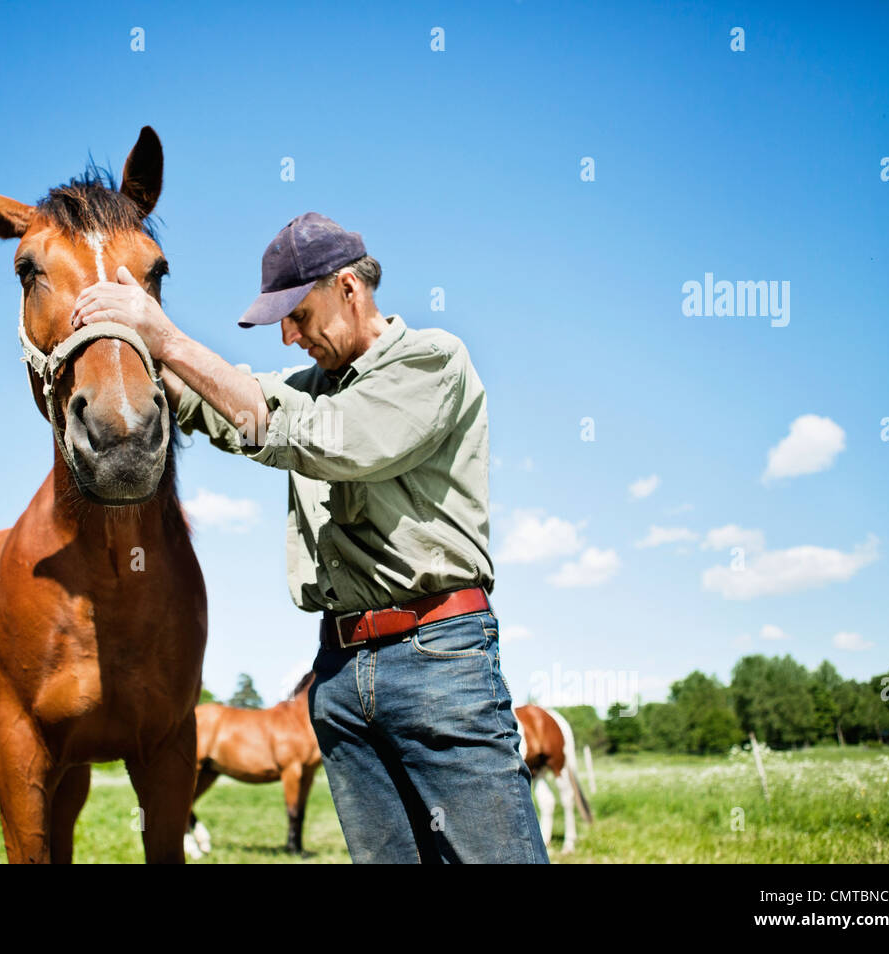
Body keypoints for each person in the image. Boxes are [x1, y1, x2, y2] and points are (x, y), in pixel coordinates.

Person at [72, 212, 549, 863]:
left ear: (349, 288)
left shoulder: (433, 362)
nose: (290, 337)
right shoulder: (310, 387)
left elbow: (325, 437)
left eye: (297, 314)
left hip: (438, 661)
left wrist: (170, 338)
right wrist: (115, 343)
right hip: (339, 673)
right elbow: (219, 405)